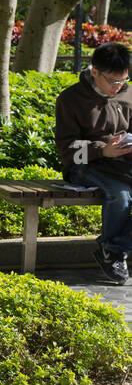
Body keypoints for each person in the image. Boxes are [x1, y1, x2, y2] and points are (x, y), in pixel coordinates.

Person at [56, 41, 132, 283]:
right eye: (112, 81)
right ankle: (114, 253)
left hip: (124, 164)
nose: (118, 87)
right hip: (85, 167)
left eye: (123, 80)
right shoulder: (70, 99)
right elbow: (67, 150)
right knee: (120, 195)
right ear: (95, 71)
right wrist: (102, 151)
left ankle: (113, 247)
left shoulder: (127, 94)